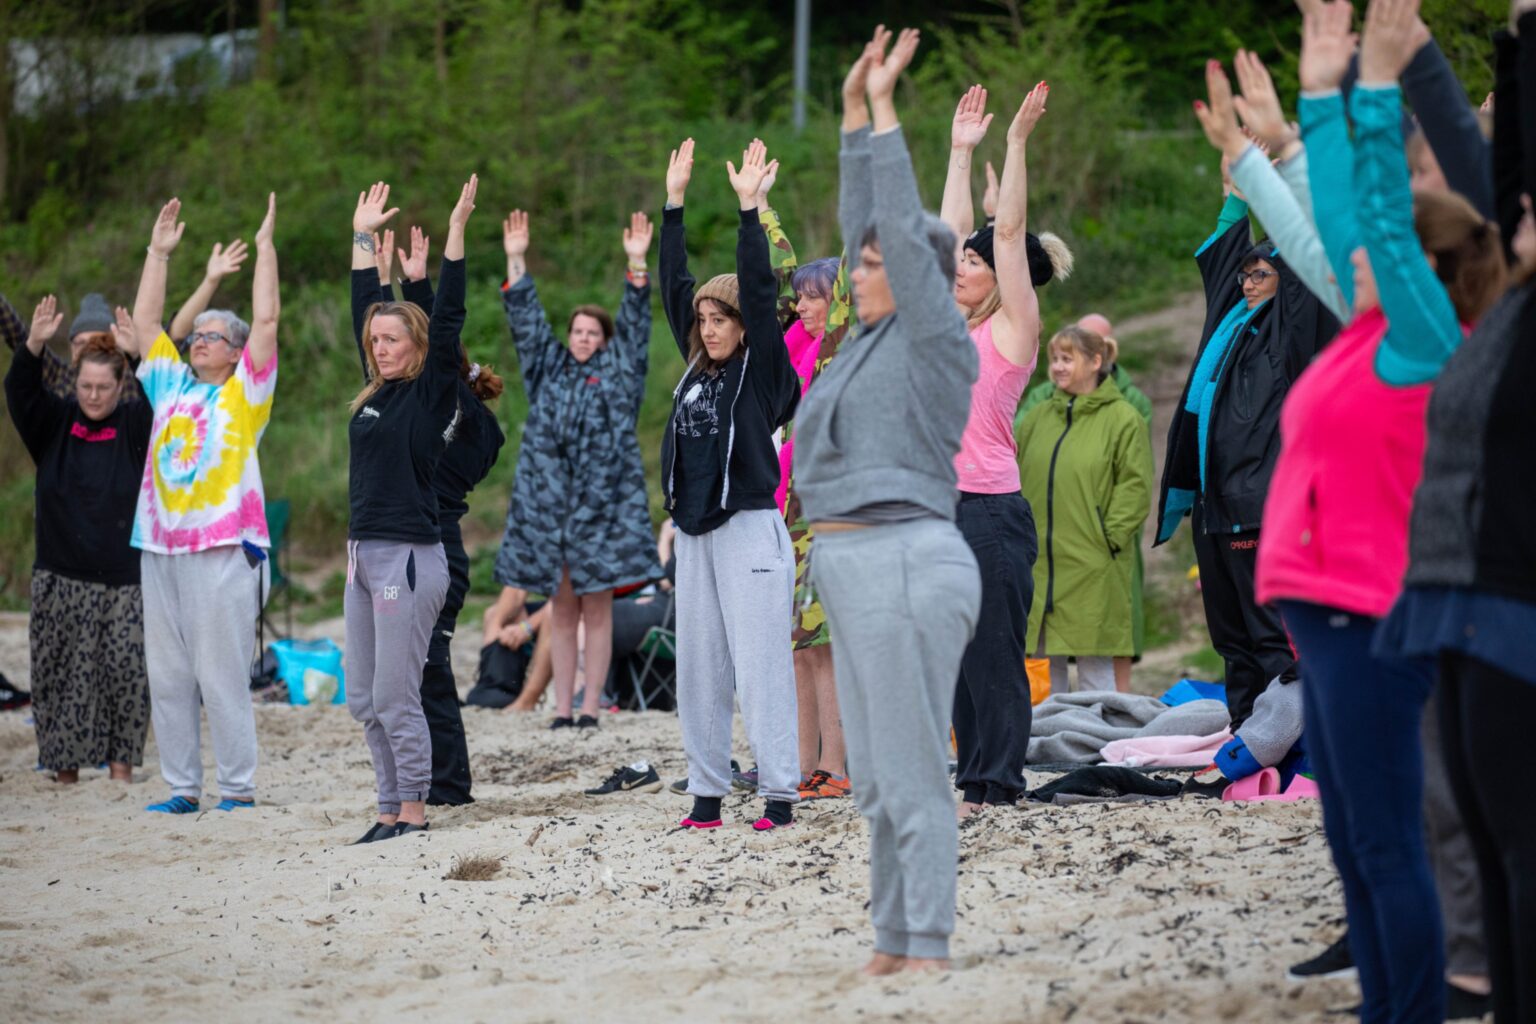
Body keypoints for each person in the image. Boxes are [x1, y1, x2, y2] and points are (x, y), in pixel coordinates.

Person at [1219, 32, 1494, 1013]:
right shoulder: (1367, 333)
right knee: (1353, 841)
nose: (1362, 252)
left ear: (1427, 269)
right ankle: (1387, 1003)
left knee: (1387, 841)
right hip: (1322, 618)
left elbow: (1373, 207)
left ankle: (1409, 1008)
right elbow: (1337, 223)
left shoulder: (1427, 340)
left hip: (1374, 614)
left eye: (1391, 249)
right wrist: (1302, 118)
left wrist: (1370, 91)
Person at [795, 25, 981, 975]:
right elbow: (864, 221)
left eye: (872, 266)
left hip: (906, 556)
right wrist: (850, 118)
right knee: (873, 775)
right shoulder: (866, 343)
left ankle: (930, 941)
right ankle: (893, 934)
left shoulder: (932, 339)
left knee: (909, 768)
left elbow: (899, 234)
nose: (854, 270)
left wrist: (892, 118)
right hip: (851, 559)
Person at [1376, 2, 1536, 1019]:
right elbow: (1504, 179)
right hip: (1466, 612)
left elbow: (1489, 181)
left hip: (1516, 617)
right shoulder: (1514, 305)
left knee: (1521, 851)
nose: (1513, 215)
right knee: (1485, 835)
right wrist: (1514, 36)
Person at [1156, 56, 1340, 729]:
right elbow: (1226, 252)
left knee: (1270, 642)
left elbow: (1303, 249)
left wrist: (1284, 166)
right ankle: (1243, 745)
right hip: (1213, 503)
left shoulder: (1293, 322)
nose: (1246, 278)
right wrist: (1233, 184)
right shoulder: (1229, 318)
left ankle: (1285, 748)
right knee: (1230, 640)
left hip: (1261, 501)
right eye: (1245, 271)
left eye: (1261, 269)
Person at [659, 134, 800, 832]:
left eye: (722, 319)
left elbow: (762, 284)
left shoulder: (764, 369)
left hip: (749, 529)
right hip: (695, 533)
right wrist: (674, 206)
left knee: (760, 668)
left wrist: (750, 213)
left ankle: (779, 795)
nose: (709, 328)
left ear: (746, 327)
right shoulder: (695, 374)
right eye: (704, 321)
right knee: (701, 671)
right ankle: (707, 796)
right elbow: (673, 290)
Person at [938, 78, 1068, 814]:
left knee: (993, 652)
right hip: (938, 509)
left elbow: (1007, 234)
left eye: (973, 264)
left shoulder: (1011, 332)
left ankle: (998, 783)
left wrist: (1014, 143)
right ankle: (971, 780)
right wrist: (960, 153)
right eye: (962, 260)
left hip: (990, 512)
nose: (960, 267)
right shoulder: (943, 325)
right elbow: (947, 233)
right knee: (955, 657)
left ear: (997, 282)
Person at [126, 194, 280, 815]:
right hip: (160, 545)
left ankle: (237, 789)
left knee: (220, 676)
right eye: (198, 336)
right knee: (167, 676)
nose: (200, 342)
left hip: (225, 547)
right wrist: (158, 254)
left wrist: (266, 250)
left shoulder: (246, 393)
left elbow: (266, 324)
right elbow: (145, 323)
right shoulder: (168, 382)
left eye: (214, 337)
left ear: (235, 350)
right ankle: (182, 787)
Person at [354, 222, 506, 806]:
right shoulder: (402, 398)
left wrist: (447, 254)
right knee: (405, 679)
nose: (383, 351)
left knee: (429, 673)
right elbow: (400, 333)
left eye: (398, 341)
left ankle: (445, 787)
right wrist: (401, 279)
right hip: (395, 542)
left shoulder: (469, 421)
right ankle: (430, 785)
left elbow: (438, 339)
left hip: (430, 542)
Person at [493, 209, 661, 730]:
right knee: (561, 609)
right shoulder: (548, 372)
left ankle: (591, 706)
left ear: (605, 341)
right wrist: (516, 258)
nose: (584, 338)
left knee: (598, 610)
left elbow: (636, 329)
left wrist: (636, 267)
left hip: (605, 511)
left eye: (593, 332)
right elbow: (527, 325)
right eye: (577, 331)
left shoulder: (619, 375)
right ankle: (562, 709)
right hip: (553, 512)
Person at [344, 176, 475, 843]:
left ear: (417, 349)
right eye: (375, 341)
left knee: (398, 695)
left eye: (392, 340)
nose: (379, 346)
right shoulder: (372, 394)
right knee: (365, 699)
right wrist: (363, 238)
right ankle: (387, 806)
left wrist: (455, 233)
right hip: (363, 555)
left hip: (411, 556)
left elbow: (447, 316)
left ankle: (415, 812)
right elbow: (365, 307)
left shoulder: (428, 397)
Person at [5, 296, 152, 784]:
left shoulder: (133, 424)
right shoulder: (53, 422)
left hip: (124, 579)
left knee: (126, 676)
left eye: (102, 388)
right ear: (76, 383)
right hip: (60, 577)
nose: (92, 396)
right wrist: (32, 346)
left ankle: (120, 771)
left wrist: (136, 356)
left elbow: (162, 399)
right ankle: (65, 773)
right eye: (86, 386)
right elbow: (20, 391)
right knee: (59, 678)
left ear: (118, 386)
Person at [1017, 311, 1152, 690]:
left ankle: (1102, 744)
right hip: (1042, 563)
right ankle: (1053, 745)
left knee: (1095, 667)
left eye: (1067, 359)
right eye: (1055, 359)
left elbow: (1135, 486)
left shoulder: (1124, 418)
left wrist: (1107, 538)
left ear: (1096, 362)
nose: (1058, 368)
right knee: (1044, 668)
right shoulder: (1036, 417)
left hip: (1093, 562)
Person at [776, 255, 854, 799]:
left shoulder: (845, 351)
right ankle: (802, 764)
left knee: (824, 645)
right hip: (790, 512)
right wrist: (755, 212)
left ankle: (837, 765)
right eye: (800, 296)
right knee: (797, 646)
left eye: (813, 296)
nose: (800, 305)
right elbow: (778, 284)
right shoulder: (797, 354)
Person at [1, 291, 141, 401]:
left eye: (97, 342)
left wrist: (135, 354)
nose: (88, 350)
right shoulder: (60, 375)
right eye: (80, 343)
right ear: (72, 347)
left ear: (114, 347)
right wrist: (35, 340)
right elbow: (17, 334)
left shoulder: (132, 379)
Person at [468, 586, 550, 710]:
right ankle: (495, 682)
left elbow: (569, 600)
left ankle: (528, 700)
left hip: (581, 607)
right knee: (496, 612)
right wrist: (495, 630)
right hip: (555, 605)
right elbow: (516, 584)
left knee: (553, 618)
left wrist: (528, 627)